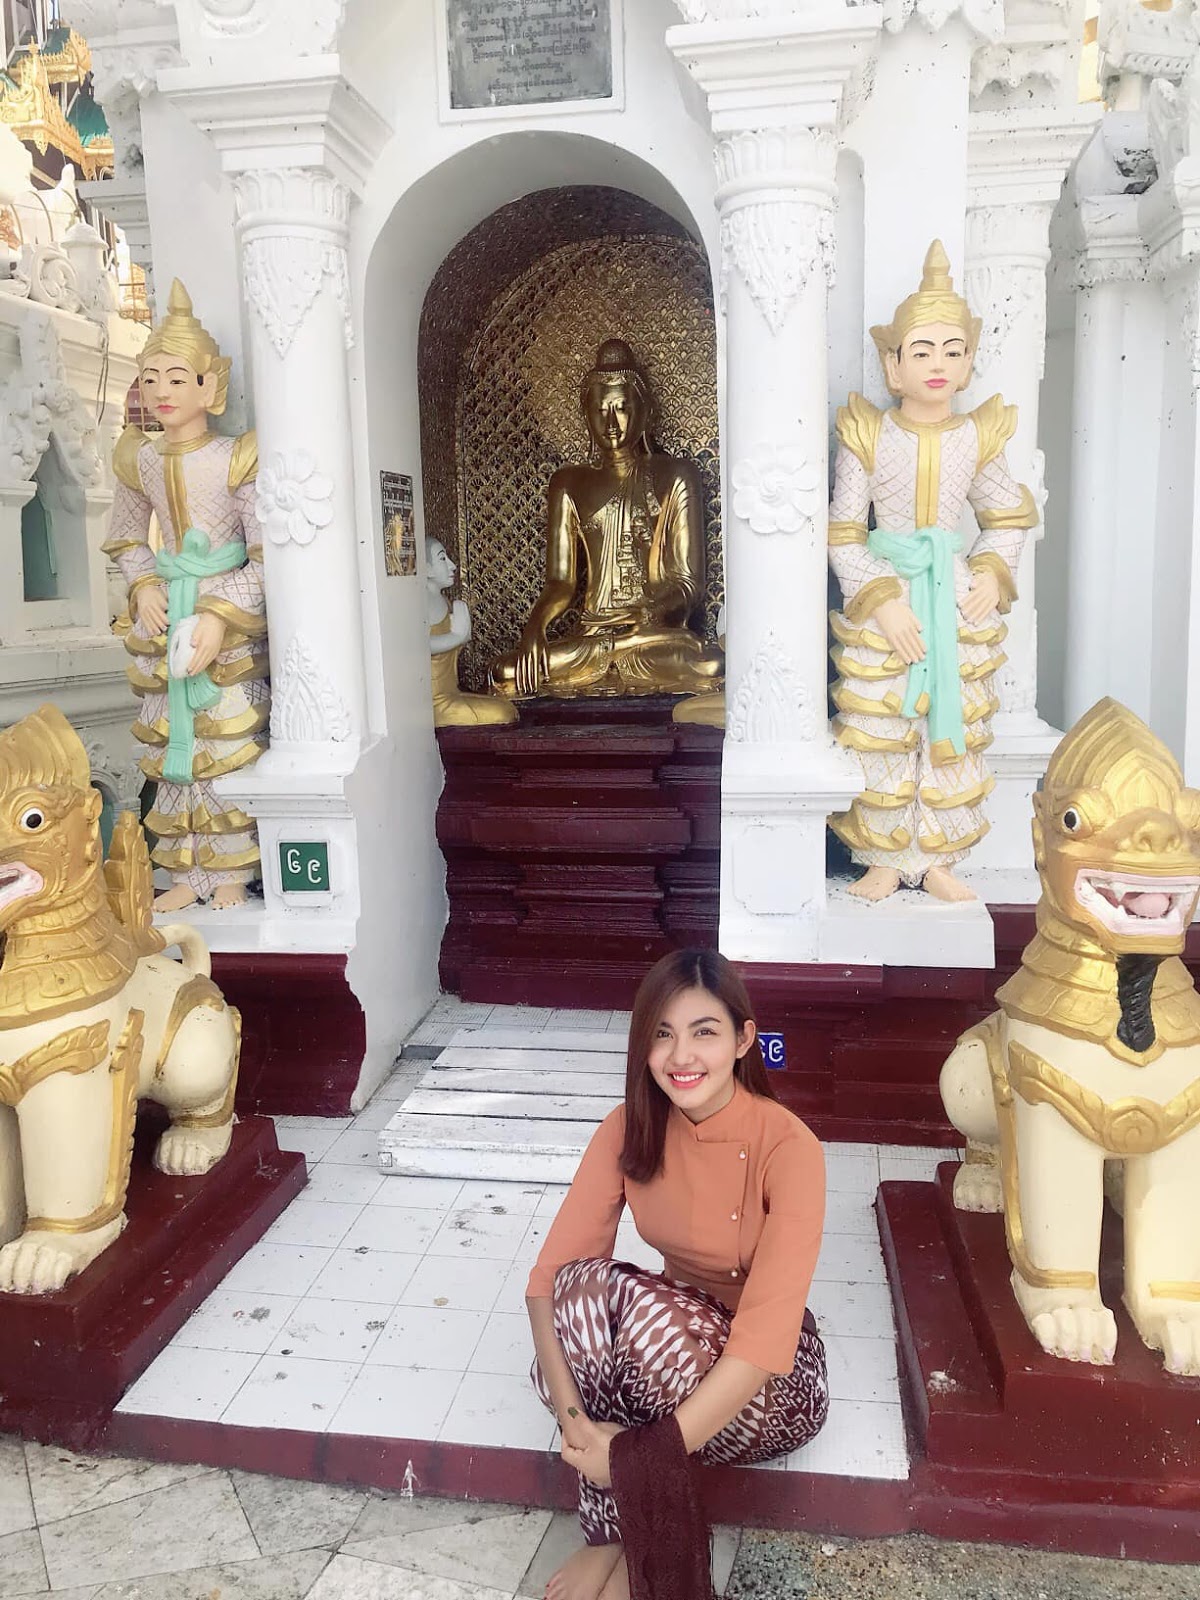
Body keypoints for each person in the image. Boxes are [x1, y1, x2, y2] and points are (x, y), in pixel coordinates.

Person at [526, 948, 828, 1600]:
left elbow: (758, 1345)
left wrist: (630, 1460)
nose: (680, 1056)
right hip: (669, 1357)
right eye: (662, 1034)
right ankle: (613, 1532)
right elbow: (548, 1283)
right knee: (576, 1308)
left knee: (634, 1318)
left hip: (770, 1390)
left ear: (744, 1039)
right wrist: (577, 1424)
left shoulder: (790, 1148)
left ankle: (640, 1550)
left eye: (704, 1032)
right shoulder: (628, 1129)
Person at [827, 240, 1037, 904]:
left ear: (970, 359)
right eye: (922, 351)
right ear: (894, 365)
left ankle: (938, 855)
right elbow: (841, 530)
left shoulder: (979, 436)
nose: (938, 364)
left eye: (952, 350)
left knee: (953, 727)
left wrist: (991, 574)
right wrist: (881, 599)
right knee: (885, 725)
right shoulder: (867, 435)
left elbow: (1007, 514)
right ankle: (886, 857)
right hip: (887, 596)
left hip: (951, 597)